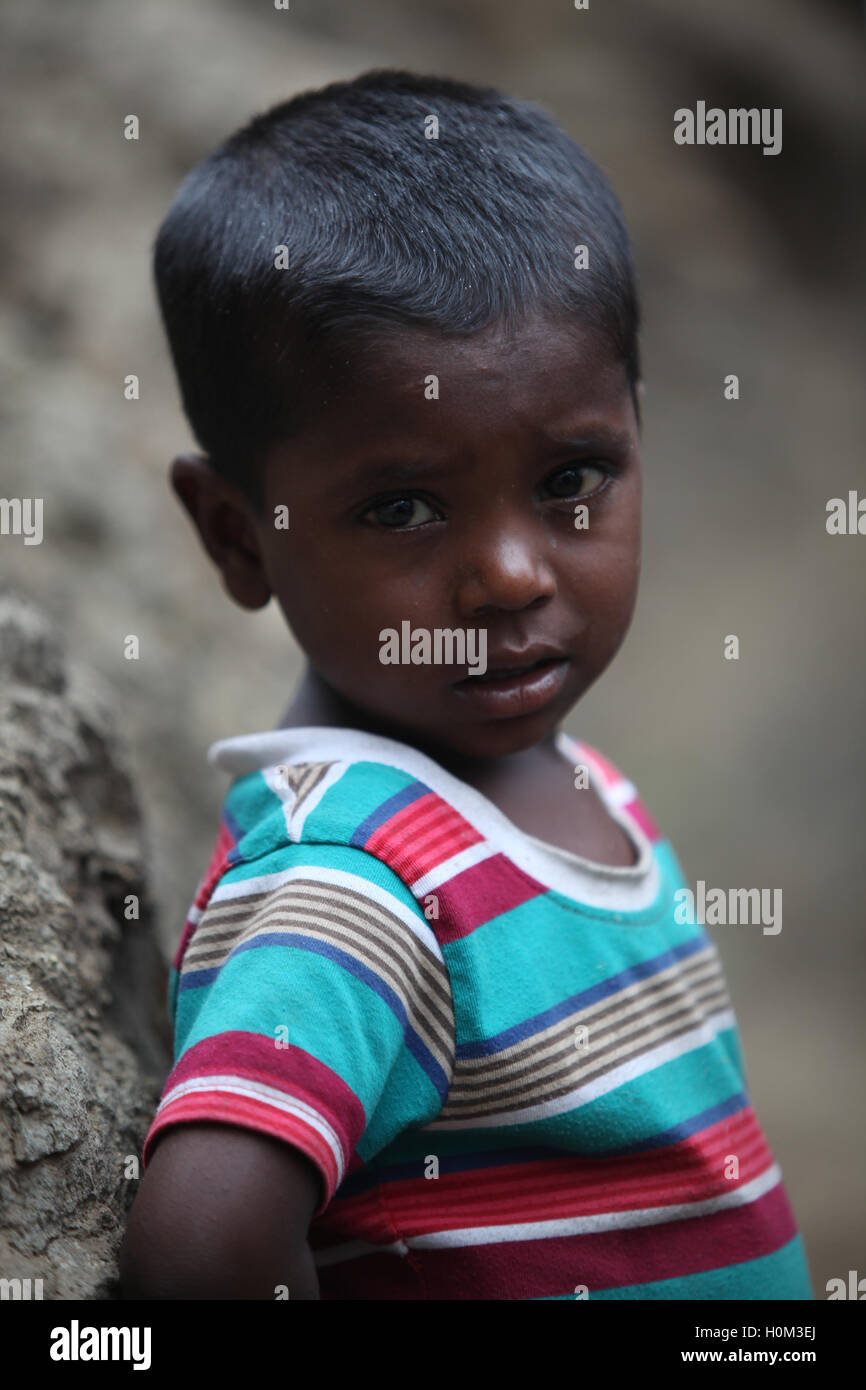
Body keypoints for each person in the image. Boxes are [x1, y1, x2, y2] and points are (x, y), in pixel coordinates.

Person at [119, 69, 813, 1300]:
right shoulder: (355, 887)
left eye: (569, 478)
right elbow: (201, 1251)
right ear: (237, 537)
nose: (506, 574)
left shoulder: (568, 781)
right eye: (400, 507)